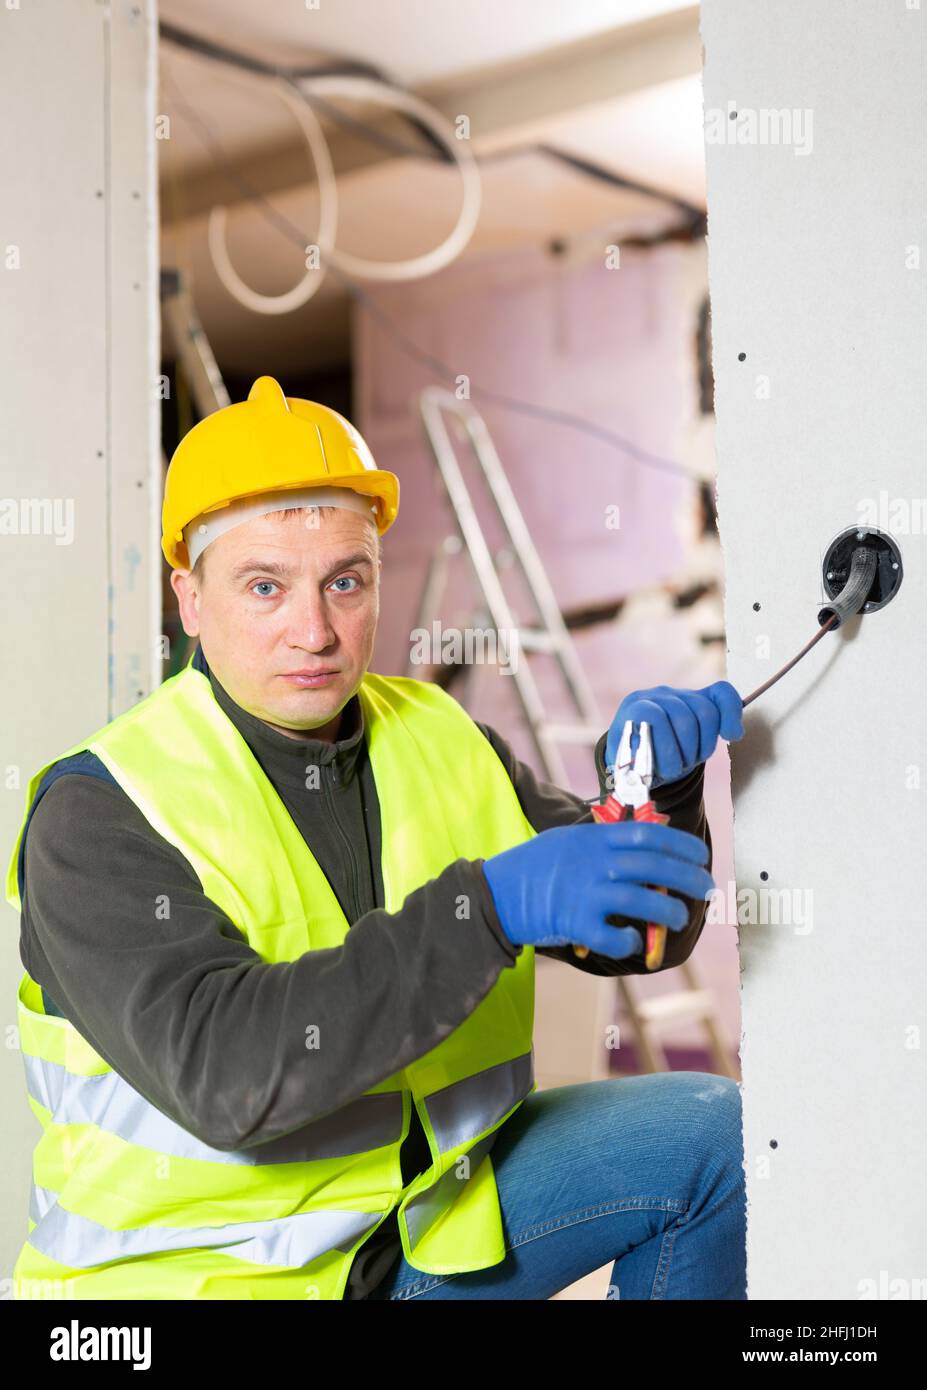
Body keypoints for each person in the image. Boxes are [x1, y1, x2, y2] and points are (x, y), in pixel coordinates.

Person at [6, 375, 746, 1301]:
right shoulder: (99, 810)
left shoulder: (437, 736)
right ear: (190, 599)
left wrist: (657, 796)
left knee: (709, 1140)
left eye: (344, 582)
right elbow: (224, 1079)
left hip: (421, 1234)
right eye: (265, 587)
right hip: (192, 1285)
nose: (313, 631)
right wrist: (485, 911)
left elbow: (638, 935)